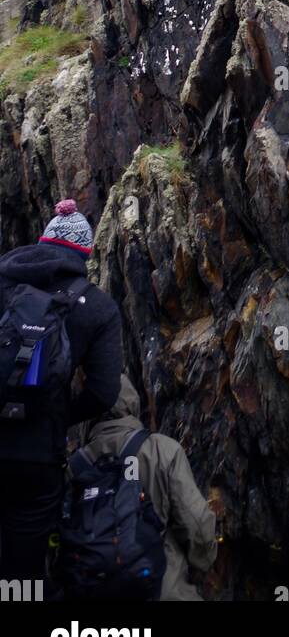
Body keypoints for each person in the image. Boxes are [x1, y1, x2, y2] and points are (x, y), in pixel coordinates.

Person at [0, 199, 122, 583]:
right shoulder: (97, 306)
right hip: (37, 459)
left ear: (42, 241)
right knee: (23, 573)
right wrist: (54, 413)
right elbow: (104, 391)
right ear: (84, 255)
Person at [78, 374, 218, 601]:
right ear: (132, 403)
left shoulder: (74, 466)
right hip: (162, 591)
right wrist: (204, 560)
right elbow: (197, 523)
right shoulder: (162, 450)